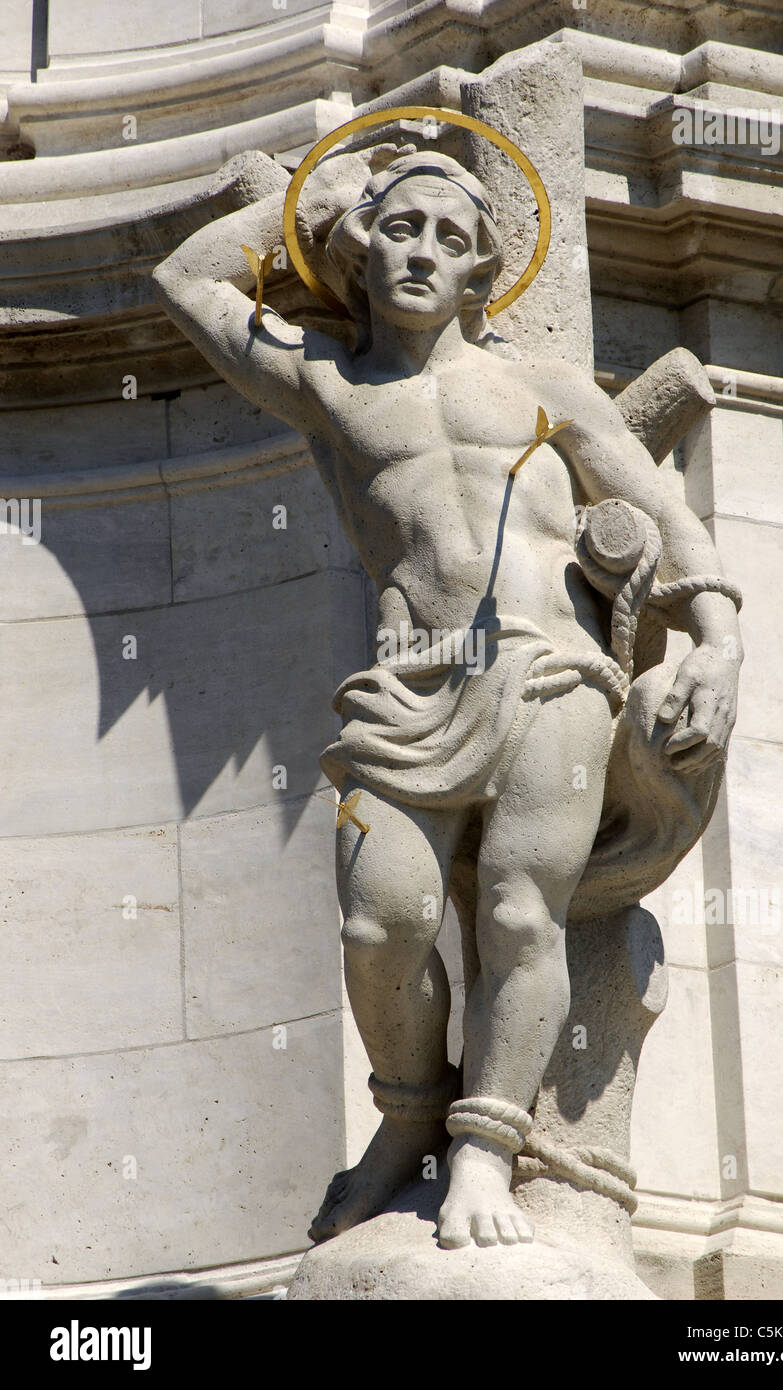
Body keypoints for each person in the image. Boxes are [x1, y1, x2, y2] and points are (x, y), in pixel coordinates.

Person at [153, 148, 741, 1249]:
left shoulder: (539, 387)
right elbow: (186, 286)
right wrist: (301, 211)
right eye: (401, 228)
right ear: (361, 250)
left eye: (450, 238)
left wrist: (716, 640)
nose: (423, 250)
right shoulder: (327, 382)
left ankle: (482, 1151)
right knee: (383, 921)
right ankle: (406, 1119)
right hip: (409, 681)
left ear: (482, 273)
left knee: (522, 915)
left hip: (550, 672)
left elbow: (659, 508)